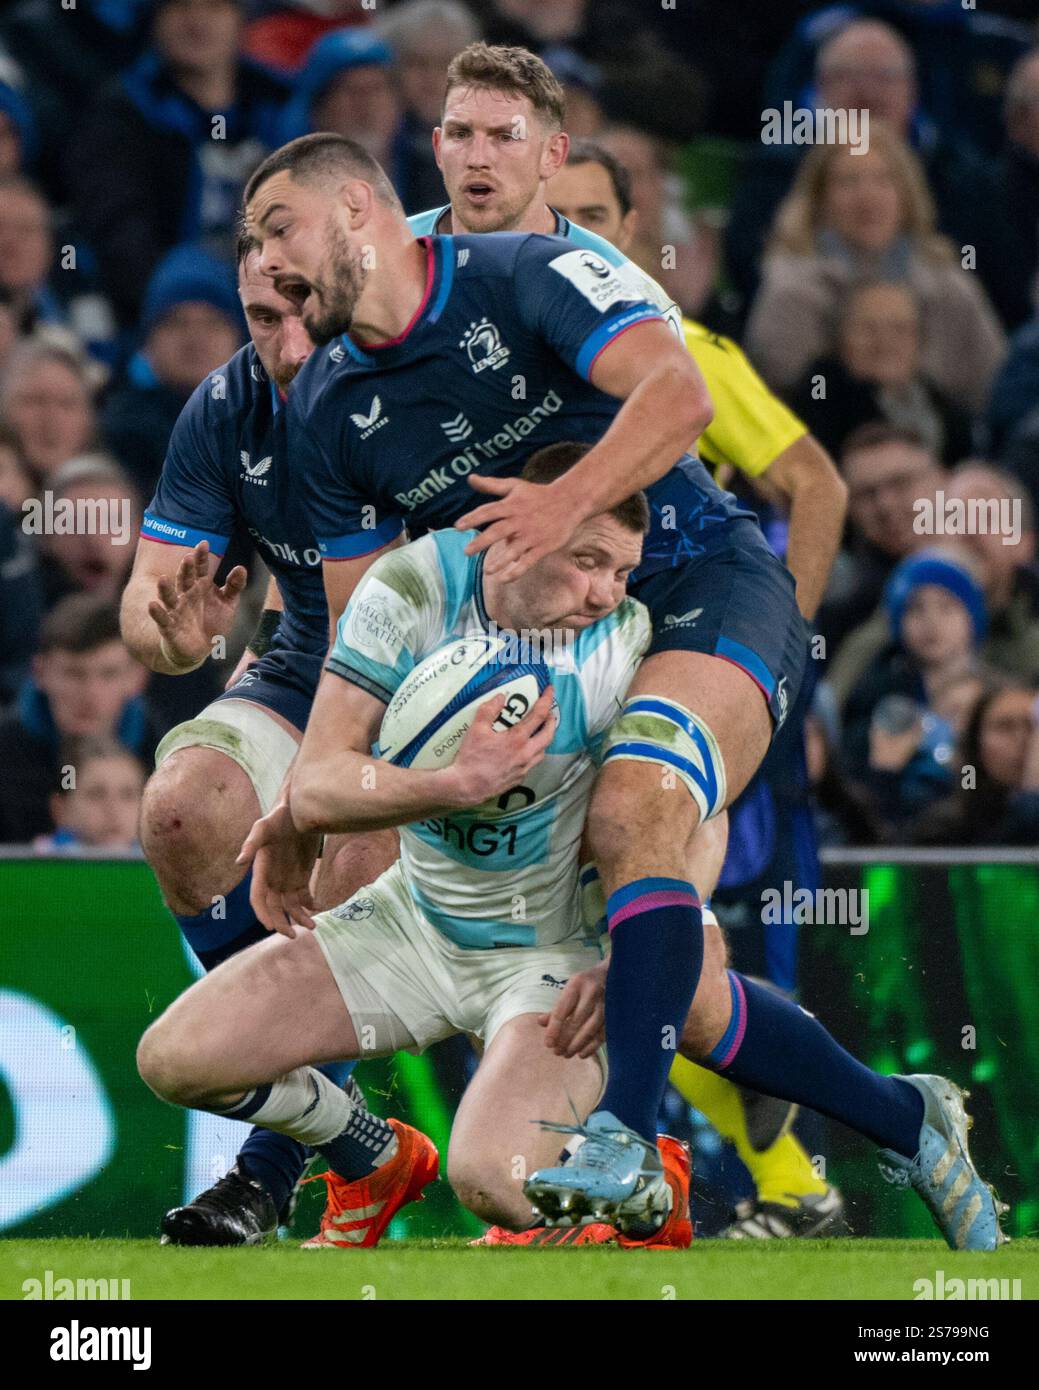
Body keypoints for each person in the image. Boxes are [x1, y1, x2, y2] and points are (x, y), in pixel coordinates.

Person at [241, 124, 1006, 1248]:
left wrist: (564, 505)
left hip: (704, 588)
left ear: (359, 208)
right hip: (547, 661)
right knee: (680, 992)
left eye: (277, 230)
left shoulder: (524, 271)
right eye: (247, 247)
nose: (261, 263)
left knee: (639, 812)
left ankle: (623, 1145)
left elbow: (685, 397)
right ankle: (908, 1115)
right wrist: (313, 801)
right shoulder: (326, 412)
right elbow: (372, 637)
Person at [546, 139, 850, 1236]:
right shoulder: (524, 360)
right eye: (556, 213)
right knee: (627, 944)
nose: (573, 232)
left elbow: (811, 481)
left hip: (694, 684)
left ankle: (780, 1177)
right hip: (589, 707)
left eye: (594, 213)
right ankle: (767, 1183)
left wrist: (784, 652)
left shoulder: (680, 351)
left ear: (629, 231)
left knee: (678, 934)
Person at [119, 229, 427, 1249]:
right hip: (309, 660)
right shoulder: (225, 405)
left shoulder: (424, 378)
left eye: (307, 309)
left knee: (353, 854)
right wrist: (176, 644)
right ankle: (347, 1138)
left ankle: (268, 1172)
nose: (287, 343)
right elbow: (146, 606)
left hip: (456, 681)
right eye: (262, 317)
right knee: (179, 808)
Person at [744, 123, 1007, 415]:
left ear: (907, 195)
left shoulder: (951, 288)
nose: (867, 197)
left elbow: (994, 389)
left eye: (883, 180)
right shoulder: (791, 291)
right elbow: (772, 399)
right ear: (819, 199)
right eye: (848, 181)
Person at [67, 0, 288, 326]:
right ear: (155, 20)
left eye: (213, 8)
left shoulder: (285, 103)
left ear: (240, 18)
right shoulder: (119, 115)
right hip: (166, 321)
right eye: (180, 7)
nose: (196, 21)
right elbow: (120, 235)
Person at [842, 549, 992, 837]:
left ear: (972, 617)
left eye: (947, 607)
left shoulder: (1000, 698)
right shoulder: (874, 697)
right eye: (915, 608)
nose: (931, 621)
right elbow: (858, 807)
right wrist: (884, 769)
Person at [0, 594, 155, 845]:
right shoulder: (5, 757)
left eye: (108, 674)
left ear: (137, 678)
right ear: (40, 673)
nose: (90, 695)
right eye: (74, 674)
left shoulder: (164, 755)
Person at [103, 246, 245, 498]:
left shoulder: (268, 424)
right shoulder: (116, 433)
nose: (195, 338)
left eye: (213, 323)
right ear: (147, 342)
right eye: (176, 323)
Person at [789, 280, 974, 464]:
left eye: (900, 329)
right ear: (839, 339)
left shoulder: (949, 411)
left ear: (920, 341)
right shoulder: (815, 409)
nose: (884, 342)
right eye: (868, 329)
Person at [909, 680, 1039, 846]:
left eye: (1032, 727)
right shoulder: (949, 824)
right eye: (1005, 727)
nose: (1023, 740)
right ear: (976, 741)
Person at [32, 735, 146, 856]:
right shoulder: (35, 865)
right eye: (96, 794)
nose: (113, 809)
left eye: (127, 795)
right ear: (61, 809)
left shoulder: (162, 863)